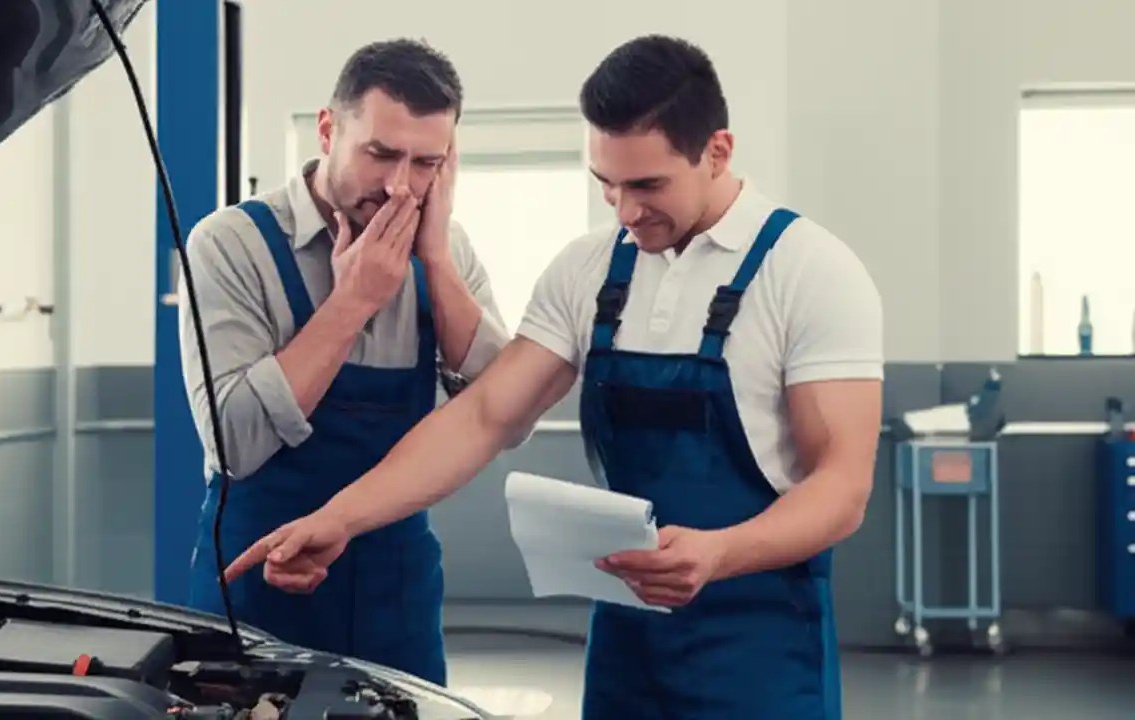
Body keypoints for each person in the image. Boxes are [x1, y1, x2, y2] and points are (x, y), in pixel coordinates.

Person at [226, 34, 883, 718]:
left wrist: (719, 554)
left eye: (647, 185)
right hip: (626, 648)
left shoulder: (811, 271)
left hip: (760, 652)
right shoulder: (590, 269)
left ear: (717, 152)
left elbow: (841, 486)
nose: (625, 213)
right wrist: (339, 518)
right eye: (607, 185)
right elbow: (483, 417)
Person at [178, 38, 520, 687]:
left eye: (426, 163)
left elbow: (502, 411)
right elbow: (237, 443)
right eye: (381, 153)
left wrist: (439, 262)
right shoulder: (229, 246)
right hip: (258, 584)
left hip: (397, 587)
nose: (399, 185)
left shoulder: (446, 249)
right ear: (328, 129)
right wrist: (352, 303)